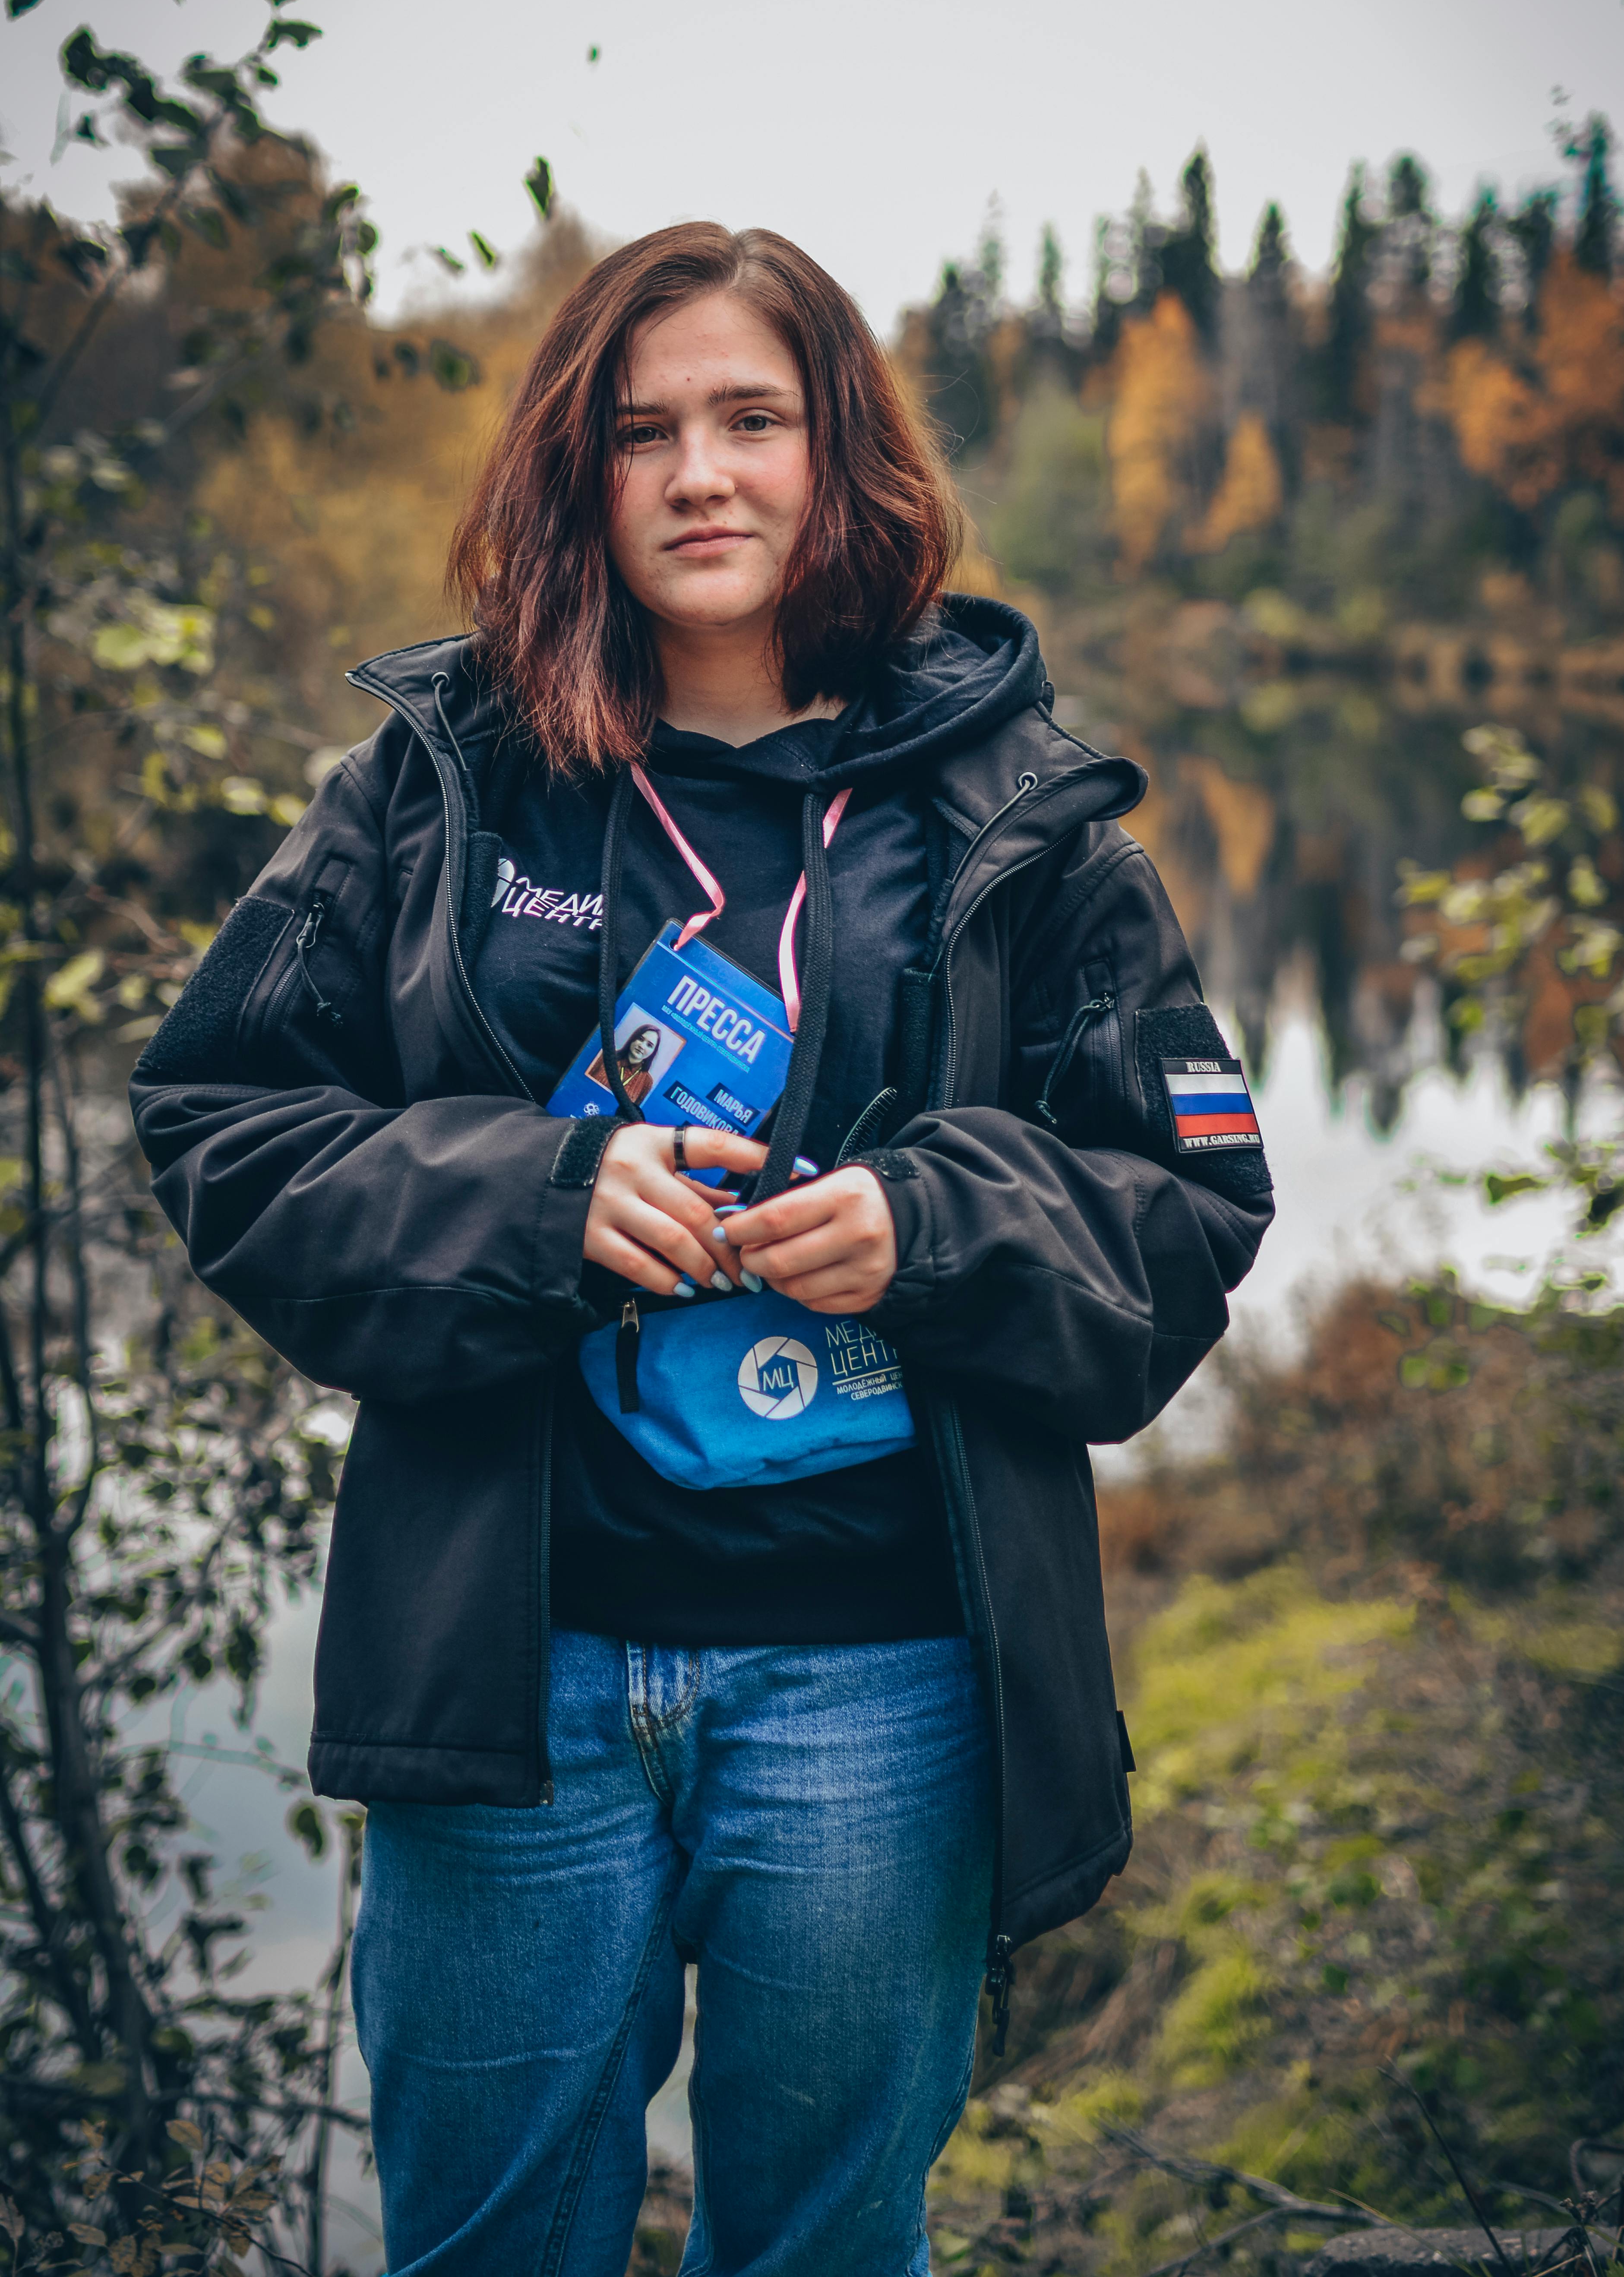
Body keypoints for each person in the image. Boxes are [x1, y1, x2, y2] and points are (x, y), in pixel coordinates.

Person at [130, 223, 1273, 2275]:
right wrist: (539, 1200)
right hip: (508, 1682)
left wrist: (934, 1221)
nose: (699, 474)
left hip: (884, 1688)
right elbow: (219, 1121)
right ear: (578, 476)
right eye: (641, 431)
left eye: (755, 419)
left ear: (844, 459)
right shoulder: (441, 788)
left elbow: (1187, 1215)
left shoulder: (1024, 819)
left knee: (825, 2252)